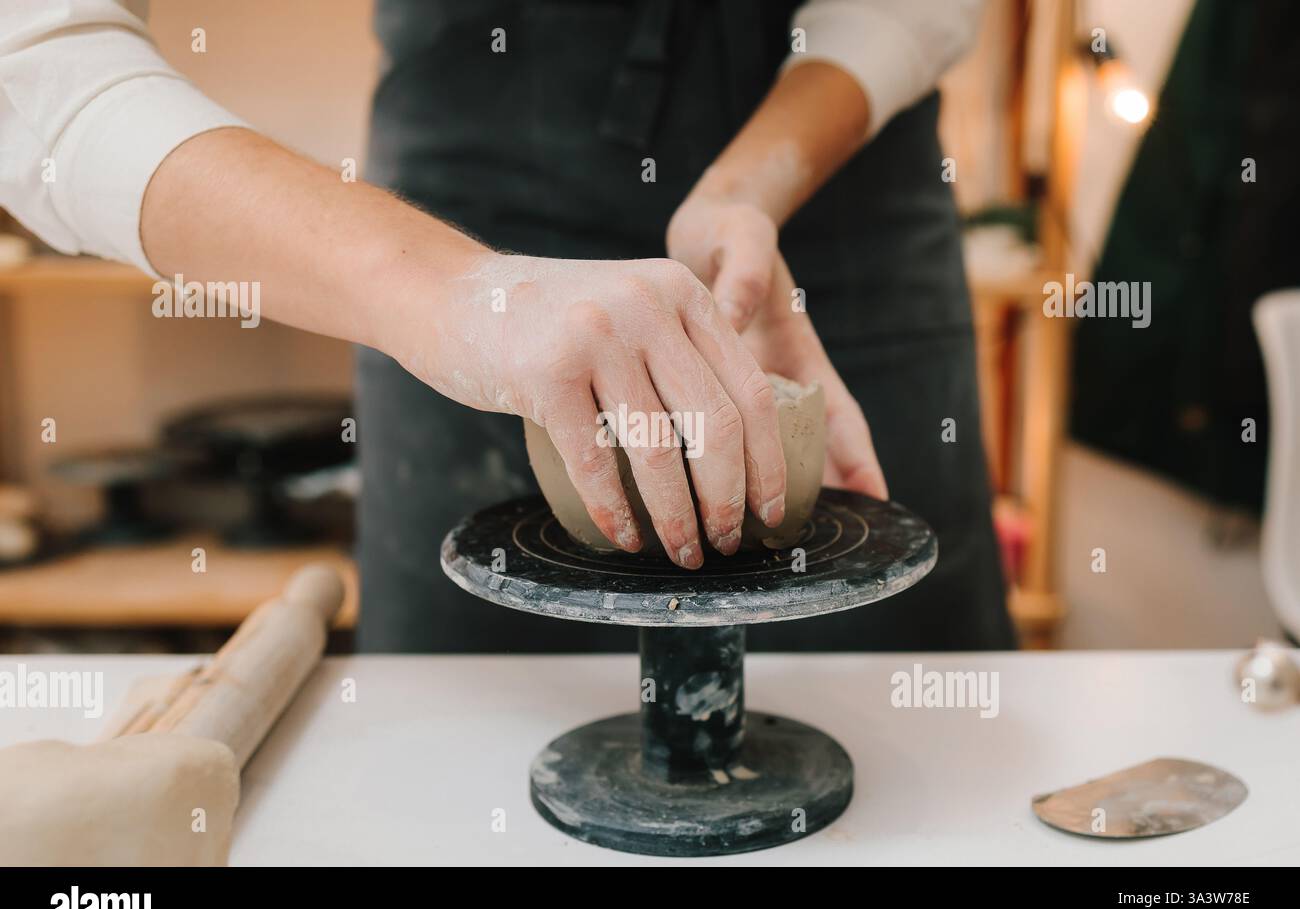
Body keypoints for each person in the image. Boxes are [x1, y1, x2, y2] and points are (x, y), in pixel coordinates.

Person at [0, 0, 1013, 653]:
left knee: (905, 731)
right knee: (465, 754)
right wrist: (453, 294)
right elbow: (30, 60)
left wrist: (746, 190)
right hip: (466, 219)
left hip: (814, 201)